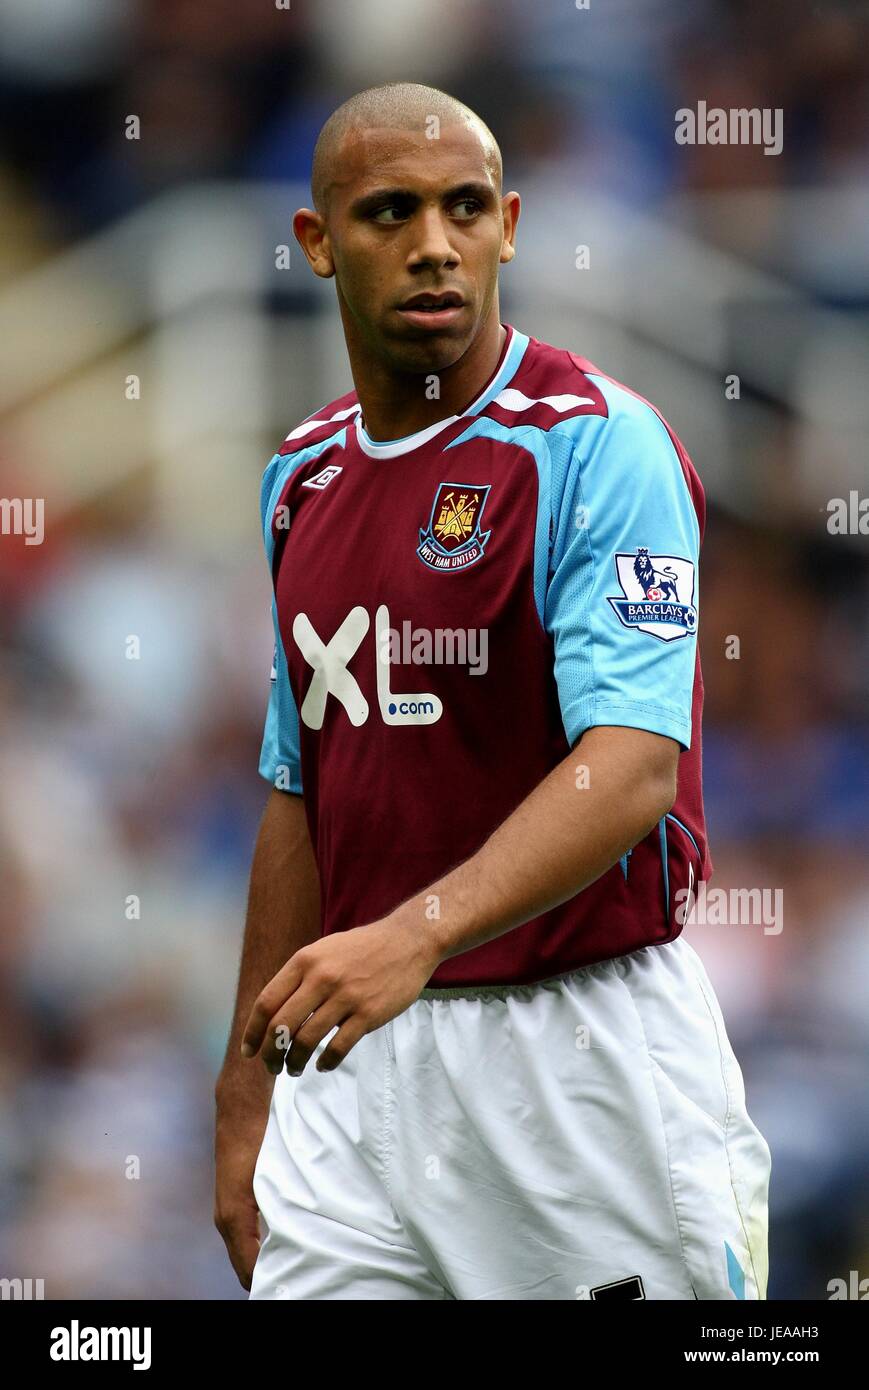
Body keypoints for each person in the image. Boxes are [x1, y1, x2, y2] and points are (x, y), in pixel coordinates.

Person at [214, 81, 771, 1302]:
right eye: (388, 212)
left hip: (578, 1056)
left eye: (464, 208)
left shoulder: (595, 444)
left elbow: (626, 768)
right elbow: (300, 785)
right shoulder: (299, 477)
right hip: (356, 1072)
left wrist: (410, 936)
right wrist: (243, 1090)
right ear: (316, 243)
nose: (432, 245)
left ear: (508, 226)